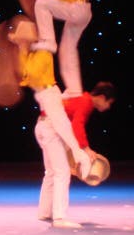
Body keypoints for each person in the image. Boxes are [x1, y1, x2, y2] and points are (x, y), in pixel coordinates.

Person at [8, 20, 92, 188]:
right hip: (43, 96)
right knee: (59, 132)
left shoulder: (43, 53)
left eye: (22, 40)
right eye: (20, 40)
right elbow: (25, 78)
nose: (21, 43)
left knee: (64, 127)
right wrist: (22, 53)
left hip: (49, 93)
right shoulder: (28, 55)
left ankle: (81, 156)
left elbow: (33, 75)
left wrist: (22, 53)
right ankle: (80, 156)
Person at [35, 81, 116, 229]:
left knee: (52, 172)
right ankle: (59, 217)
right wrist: (85, 149)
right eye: (109, 103)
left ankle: (45, 211)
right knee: (62, 172)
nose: (108, 107)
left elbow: (69, 130)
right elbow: (76, 125)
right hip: (51, 130)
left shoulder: (81, 98)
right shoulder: (86, 102)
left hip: (42, 126)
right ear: (103, 97)